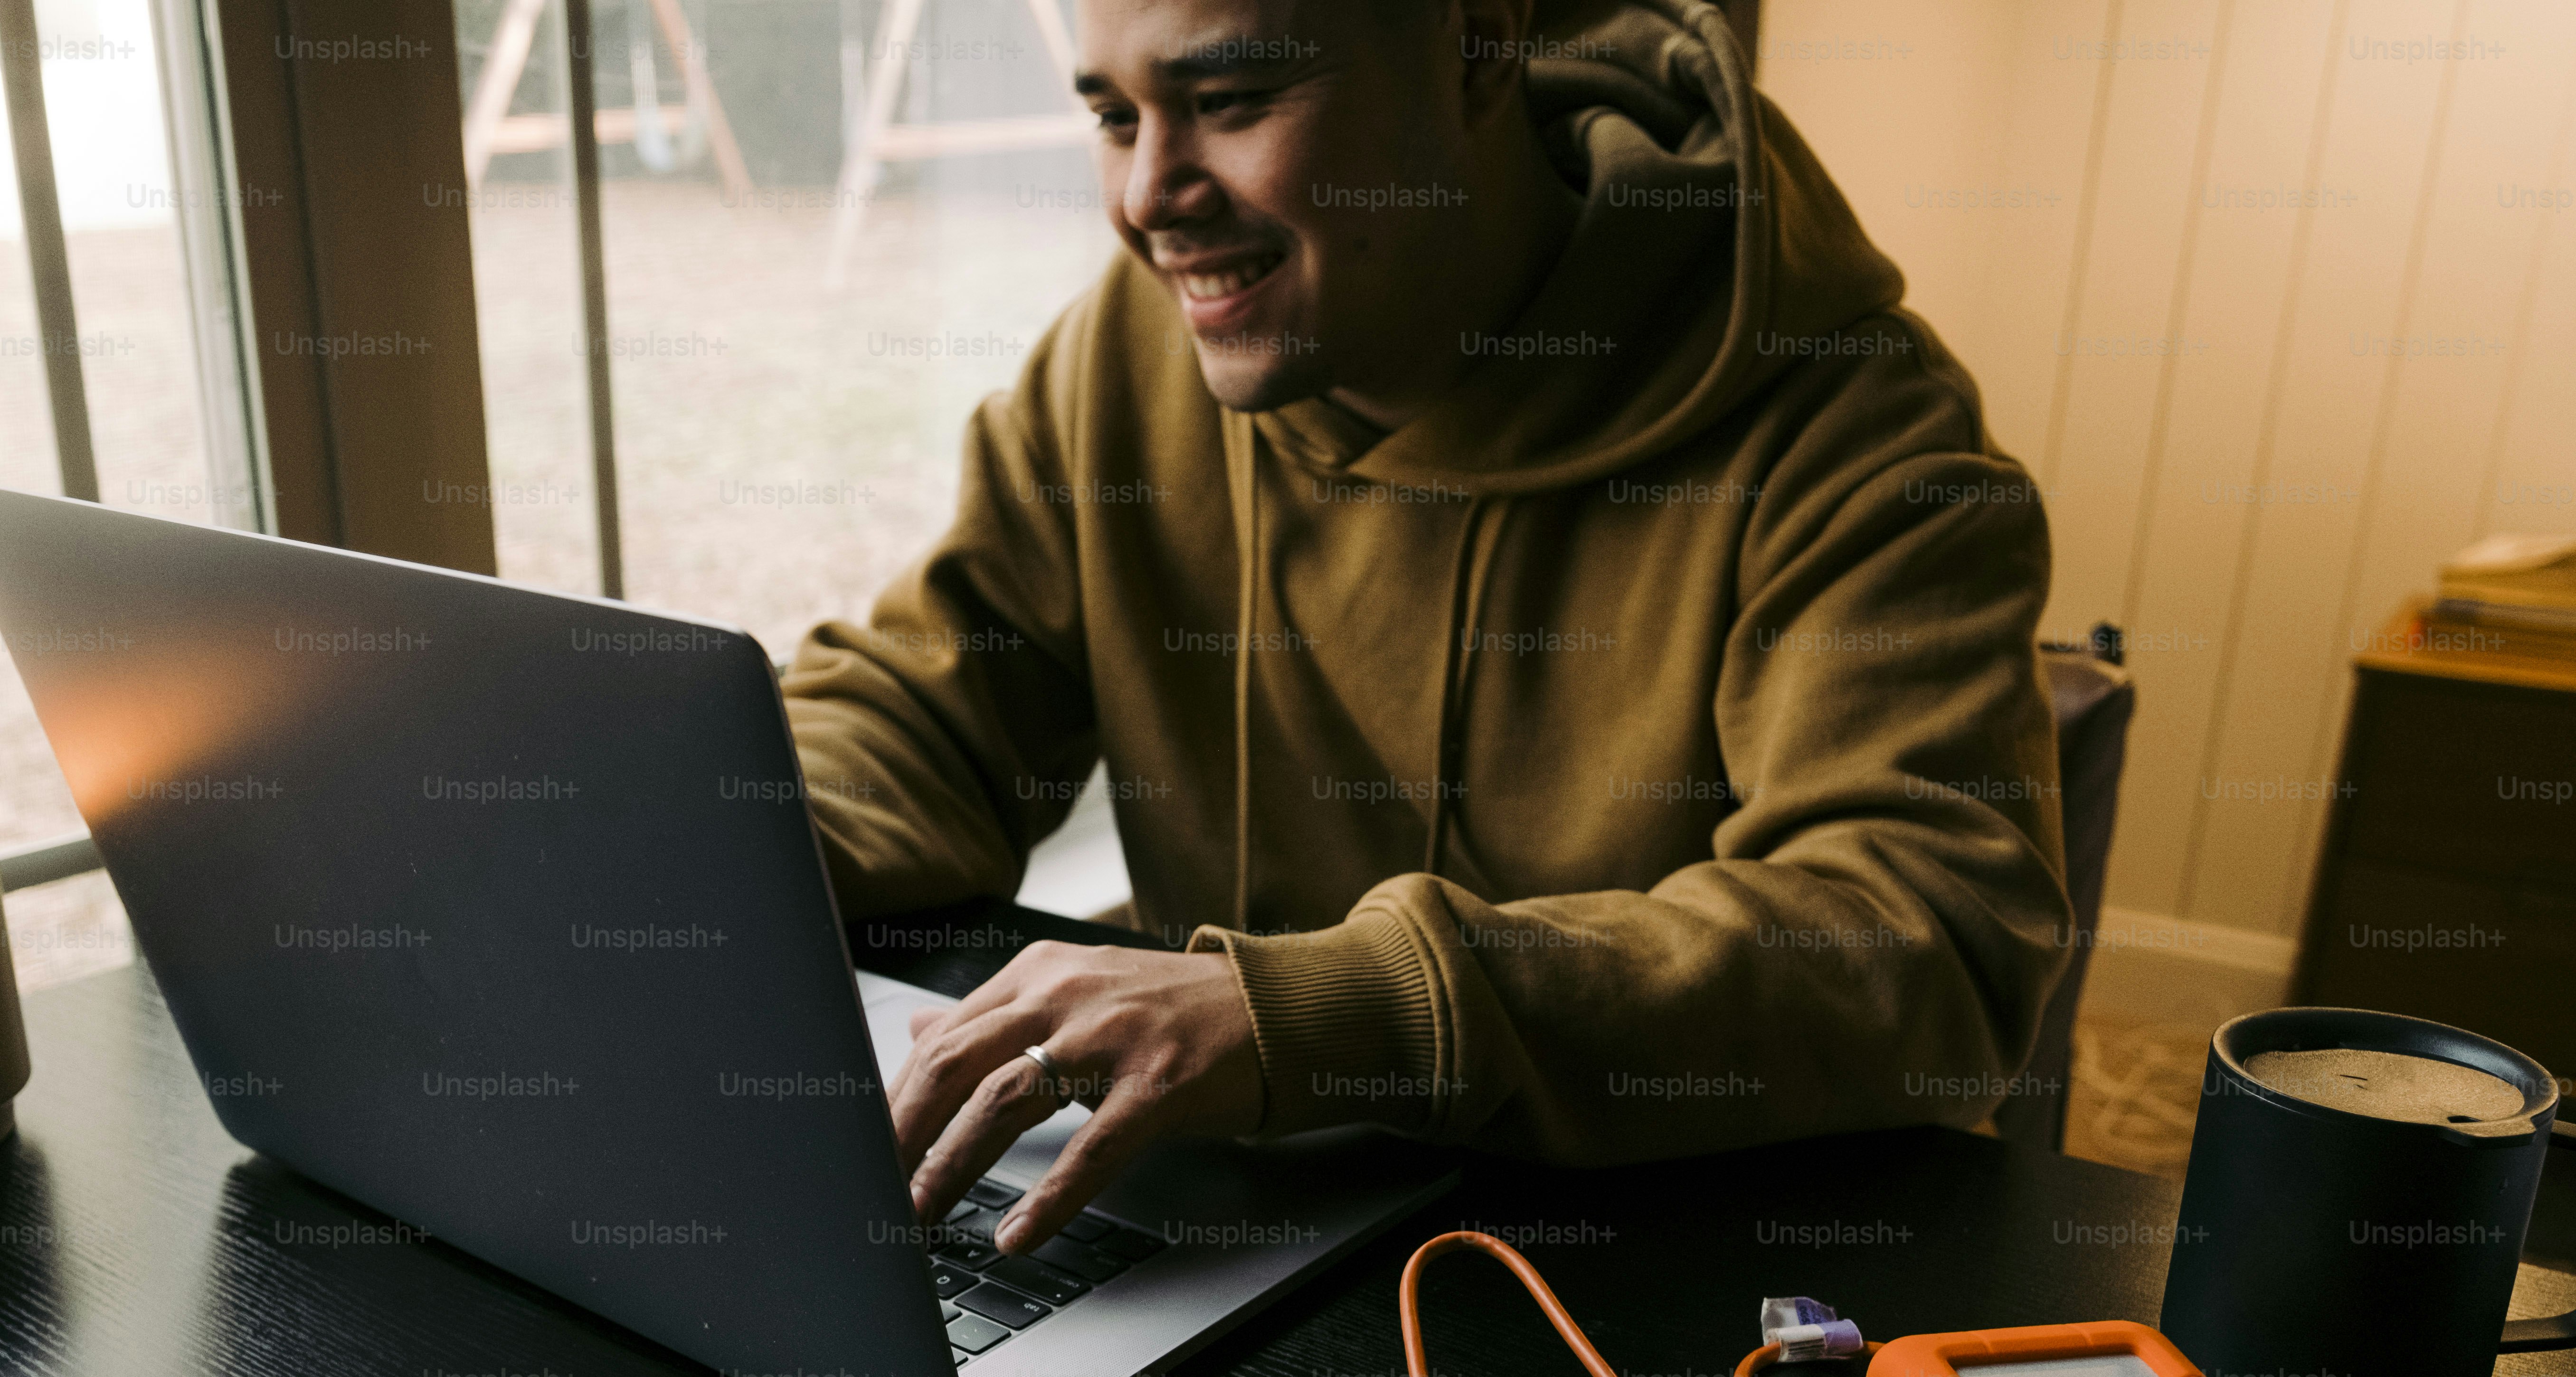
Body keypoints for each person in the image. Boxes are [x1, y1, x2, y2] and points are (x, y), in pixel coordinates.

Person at [781, 0, 2071, 1258]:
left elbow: (1919, 944)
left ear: (1477, 48)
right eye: (1117, 117)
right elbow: (923, 705)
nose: (1145, 196)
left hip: (1685, 1289)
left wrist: (1331, 1014)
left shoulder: (1858, 435)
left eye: (1228, 103)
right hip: (1224, 1249)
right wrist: (708, 840)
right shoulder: (1127, 357)